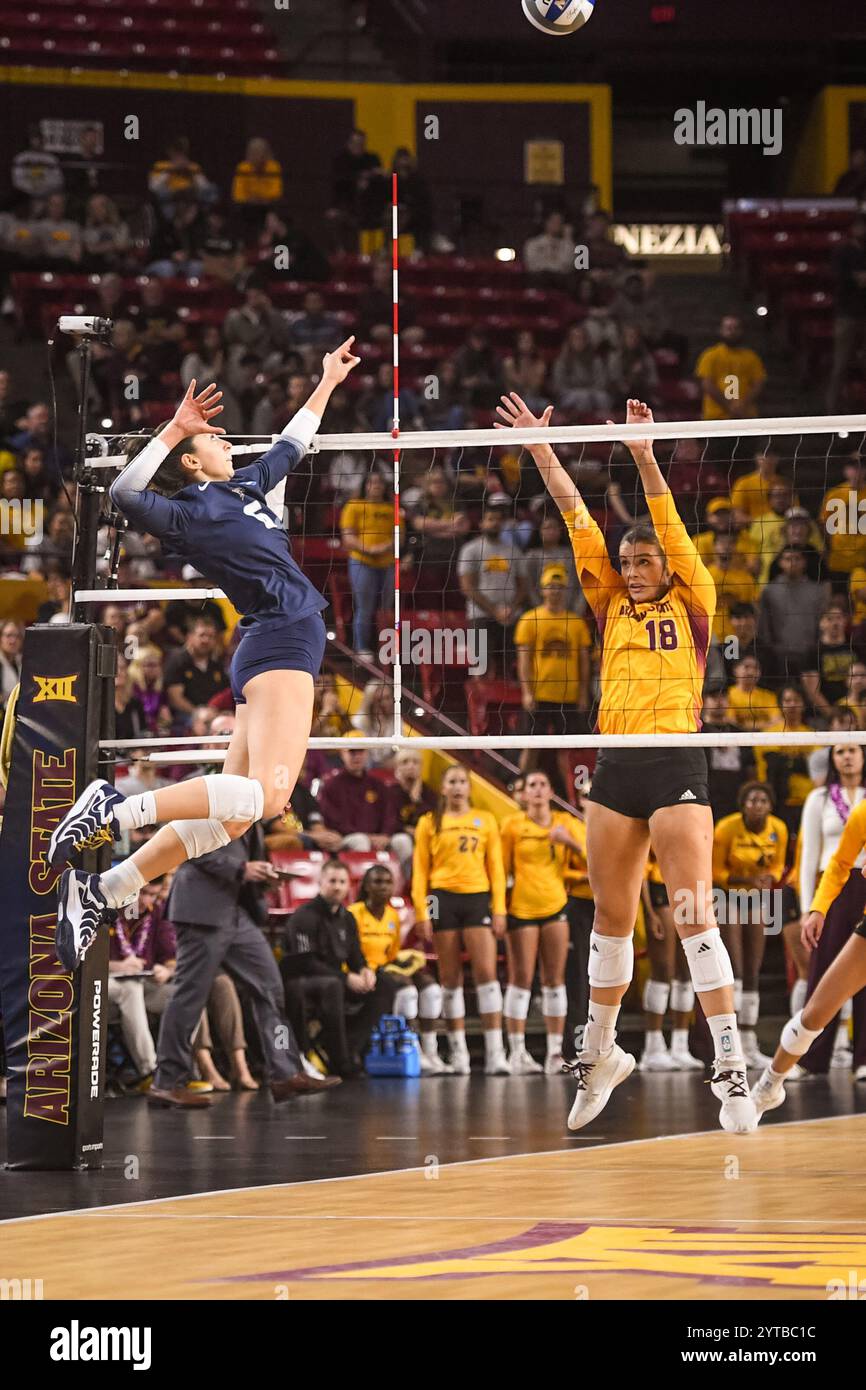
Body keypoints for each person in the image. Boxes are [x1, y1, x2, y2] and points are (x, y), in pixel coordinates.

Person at [49, 341, 361, 972]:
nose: (226, 440)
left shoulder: (247, 483)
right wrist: (174, 428)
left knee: (228, 822)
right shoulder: (189, 511)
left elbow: (292, 442)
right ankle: (114, 808)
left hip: (273, 642)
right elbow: (128, 493)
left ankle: (106, 890)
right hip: (280, 638)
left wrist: (326, 380)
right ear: (191, 461)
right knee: (267, 801)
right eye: (214, 439)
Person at [496, 391, 758, 1133]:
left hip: (676, 761)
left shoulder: (695, 598)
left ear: (667, 566)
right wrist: (543, 449)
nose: (634, 567)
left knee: (691, 914)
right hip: (616, 767)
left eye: (645, 560)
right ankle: (601, 1053)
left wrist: (645, 454)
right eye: (628, 559)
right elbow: (578, 519)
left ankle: (732, 1068)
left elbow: (668, 524)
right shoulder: (608, 602)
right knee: (610, 921)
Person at [751, 791, 866, 1117]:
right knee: (816, 1011)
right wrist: (816, 909)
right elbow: (840, 864)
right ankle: (769, 1085)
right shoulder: (862, 813)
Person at [411, 766, 509, 1076]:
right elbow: (420, 872)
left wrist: (499, 909)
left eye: (462, 781)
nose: (457, 787)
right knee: (449, 976)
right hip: (441, 898)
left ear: (469, 787)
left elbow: (496, 867)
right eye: (451, 781)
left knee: (486, 973)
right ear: (442, 788)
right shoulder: (429, 822)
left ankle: (496, 1053)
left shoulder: (486, 820)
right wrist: (421, 912)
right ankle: (459, 1052)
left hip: (477, 896)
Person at [500, 771, 583, 1075]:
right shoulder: (511, 825)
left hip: (555, 905)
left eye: (542, 784)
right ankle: (517, 1051)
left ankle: (553, 1053)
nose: (536, 790)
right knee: (521, 979)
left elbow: (592, 858)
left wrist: (570, 842)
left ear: (550, 791)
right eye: (531, 785)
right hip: (521, 908)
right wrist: (500, 909)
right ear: (523, 794)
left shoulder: (566, 823)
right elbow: (502, 870)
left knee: (554, 980)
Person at [282, 859, 396, 1076]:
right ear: (320, 882)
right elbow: (305, 962)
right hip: (302, 980)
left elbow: (355, 957)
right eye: (332, 881)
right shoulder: (304, 916)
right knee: (333, 985)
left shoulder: (347, 917)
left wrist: (364, 971)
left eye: (342, 881)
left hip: (335, 980)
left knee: (385, 984)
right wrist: (346, 979)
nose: (337, 886)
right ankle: (340, 1061)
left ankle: (350, 1047)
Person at [795, 742, 866, 1077]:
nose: (847, 756)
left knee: (863, 970)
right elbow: (810, 856)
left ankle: (863, 1059)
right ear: (833, 759)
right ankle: (811, 1059)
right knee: (823, 973)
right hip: (832, 888)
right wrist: (810, 909)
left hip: (864, 886)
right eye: (840, 752)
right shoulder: (819, 799)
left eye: (853, 750)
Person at [712, 783, 788, 1068]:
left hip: (757, 899)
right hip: (728, 897)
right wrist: (746, 881)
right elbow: (714, 871)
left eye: (763, 800)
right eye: (752, 800)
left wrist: (770, 877)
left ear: (770, 805)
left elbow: (779, 864)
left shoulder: (777, 828)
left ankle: (750, 1041)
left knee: (753, 970)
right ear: (743, 804)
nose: (757, 804)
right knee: (736, 968)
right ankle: (730, 1042)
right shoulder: (727, 828)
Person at [349, 864, 448, 1073]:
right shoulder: (353, 914)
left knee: (431, 988)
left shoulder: (392, 915)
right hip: (364, 973)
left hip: (386, 968)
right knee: (407, 991)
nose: (383, 887)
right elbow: (349, 953)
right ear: (366, 886)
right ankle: (410, 1048)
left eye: (388, 882)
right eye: (377, 882)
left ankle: (431, 1050)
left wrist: (407, 964)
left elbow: (392, 954)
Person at [513, 564, 592, 797]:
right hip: (540, 695)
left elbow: (584, 662)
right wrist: (527, 692)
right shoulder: (530, 620)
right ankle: (520, 791)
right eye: (550, 586)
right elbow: (524, 661)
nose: (555, 591)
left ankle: (573, 795)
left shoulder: (576, 623)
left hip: (568, 697)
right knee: (531, 745)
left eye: (559, 587)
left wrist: (583, 694)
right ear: (542, 590)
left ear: (565, 591)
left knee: (568, 750)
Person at [638, 855, 704, 1072]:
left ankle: (680, 1046)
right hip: (659, 892)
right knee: (663, 971)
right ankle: (652, 1047)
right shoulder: (655, 822)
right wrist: (649, 913)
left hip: (686, 891)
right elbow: (641, 872)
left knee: (685, 973)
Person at [340, 471, 395, 657]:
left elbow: (399, 537)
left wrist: (386, 547)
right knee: (365, 607)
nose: (376, 486)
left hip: (387, 563)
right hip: (362, 561)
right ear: (365, 485)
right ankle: (362, 649)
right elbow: (348, 537)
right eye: (372, 482)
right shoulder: (354, 506)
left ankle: (386, 650)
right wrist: (370, 549)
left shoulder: (392, 508)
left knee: (387, 610)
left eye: (380, 482)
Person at [826, 216, 866, 413]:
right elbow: (838, 278)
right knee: (840, 364)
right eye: (860, 226)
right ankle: (831, 411)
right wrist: (856, 278)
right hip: (847, 315)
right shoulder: (843, 251)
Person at [695, 314, 767, 422]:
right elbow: (707, 384)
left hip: (746, 417)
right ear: (721, 330)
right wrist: (729, 406)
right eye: (728, 328)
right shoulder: (710, 355)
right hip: (716, 418)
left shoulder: (752, 357)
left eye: (736, 328)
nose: (732, 332)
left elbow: (758, 383)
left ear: (741, 331)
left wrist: (742, 404)